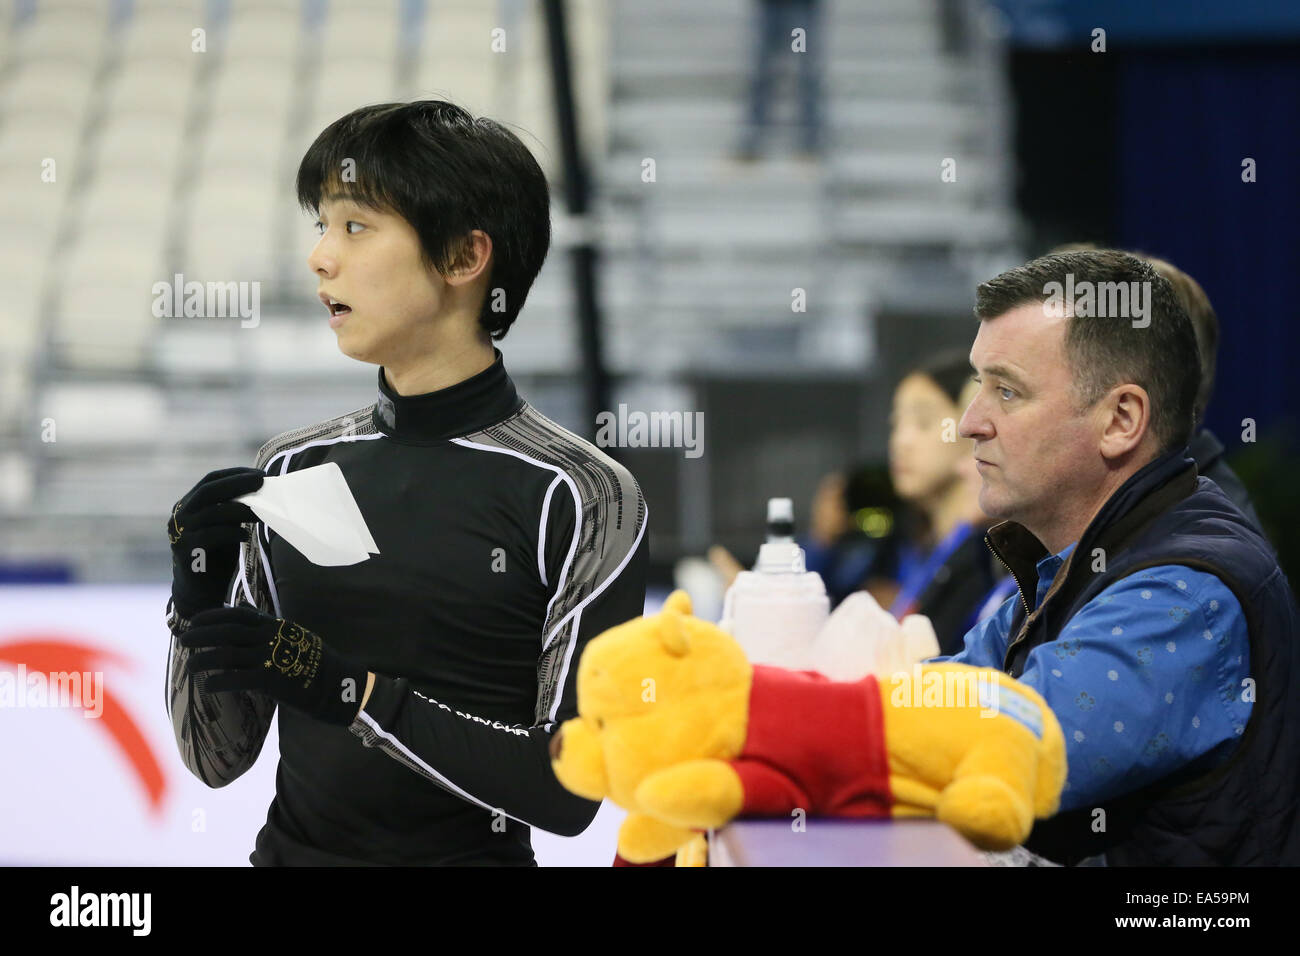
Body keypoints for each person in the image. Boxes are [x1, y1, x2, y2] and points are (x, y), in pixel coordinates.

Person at [164, 101, 650, 866]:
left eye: (355, 227)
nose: (321, 258)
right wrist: (194, 602)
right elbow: (216, 758)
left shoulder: (582, 493)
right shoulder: (292, 465)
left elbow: (568, 787)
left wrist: (348, 690)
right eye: (321, 226)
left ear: (463, 258)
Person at [935, 249, 1299, 865]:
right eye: (978, 386)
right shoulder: (1077, 558)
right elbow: (939, 692)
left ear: (1121, 420)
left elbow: (1001, 746)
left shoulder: (1185, 592)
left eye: (1006, 391)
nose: (970, 423)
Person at [886, 352, 999, 655]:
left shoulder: (988, 556)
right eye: (895, 425)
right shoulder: (923, 549)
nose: (900, 441)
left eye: (923, 423)